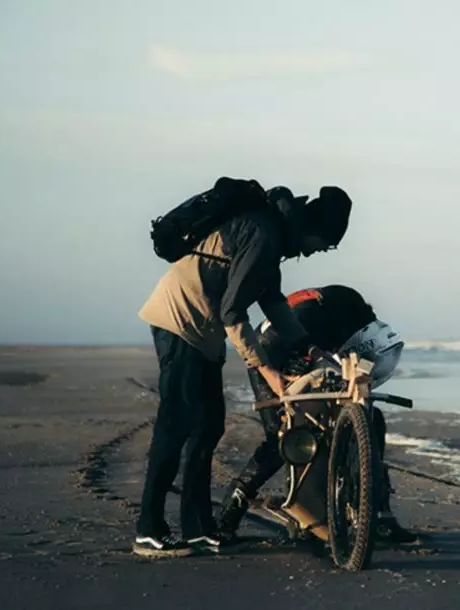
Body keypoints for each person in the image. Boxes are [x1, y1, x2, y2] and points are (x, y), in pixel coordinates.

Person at [132, 181, 353, 558]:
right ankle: (149, 530)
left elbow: (272, 301)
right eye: (325, 245)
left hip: (201, 331)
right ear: (314, 231)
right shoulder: (265, 233)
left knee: (208, 426)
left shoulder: (275, 237)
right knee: (176, 426)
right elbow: (233, 311)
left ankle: (198, 527)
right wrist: (267, 370)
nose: (319, 253)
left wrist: (308, 348)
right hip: (181, 322)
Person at [215, 284, 420, 544]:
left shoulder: (338, 311)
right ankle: (231, 509)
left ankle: (377, 513)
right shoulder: (315, 313)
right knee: (281, 437)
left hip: (302, 350)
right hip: (270, 357)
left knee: (370, 419)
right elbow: (283, 342)